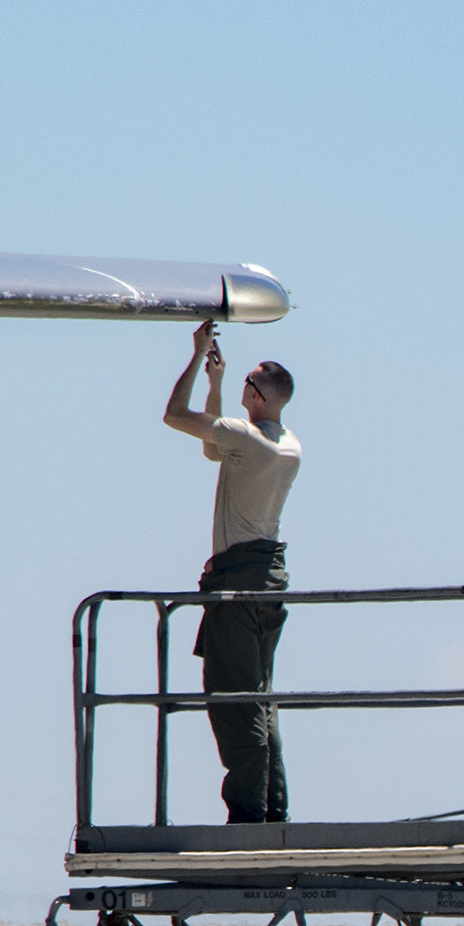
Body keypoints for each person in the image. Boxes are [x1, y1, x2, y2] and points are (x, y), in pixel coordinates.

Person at [161, 321, 301, 824]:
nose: (242, 384)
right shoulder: (285, 444)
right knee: (259, 694)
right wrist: (219, 387)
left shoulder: (250, 439)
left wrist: (197, 357)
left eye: (247, 381)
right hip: (268, 577)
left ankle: (247, 813)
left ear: (260, 396)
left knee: (235, 697)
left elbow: (175, 416)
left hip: (237, 581)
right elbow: (213, 449)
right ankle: (271, 805)